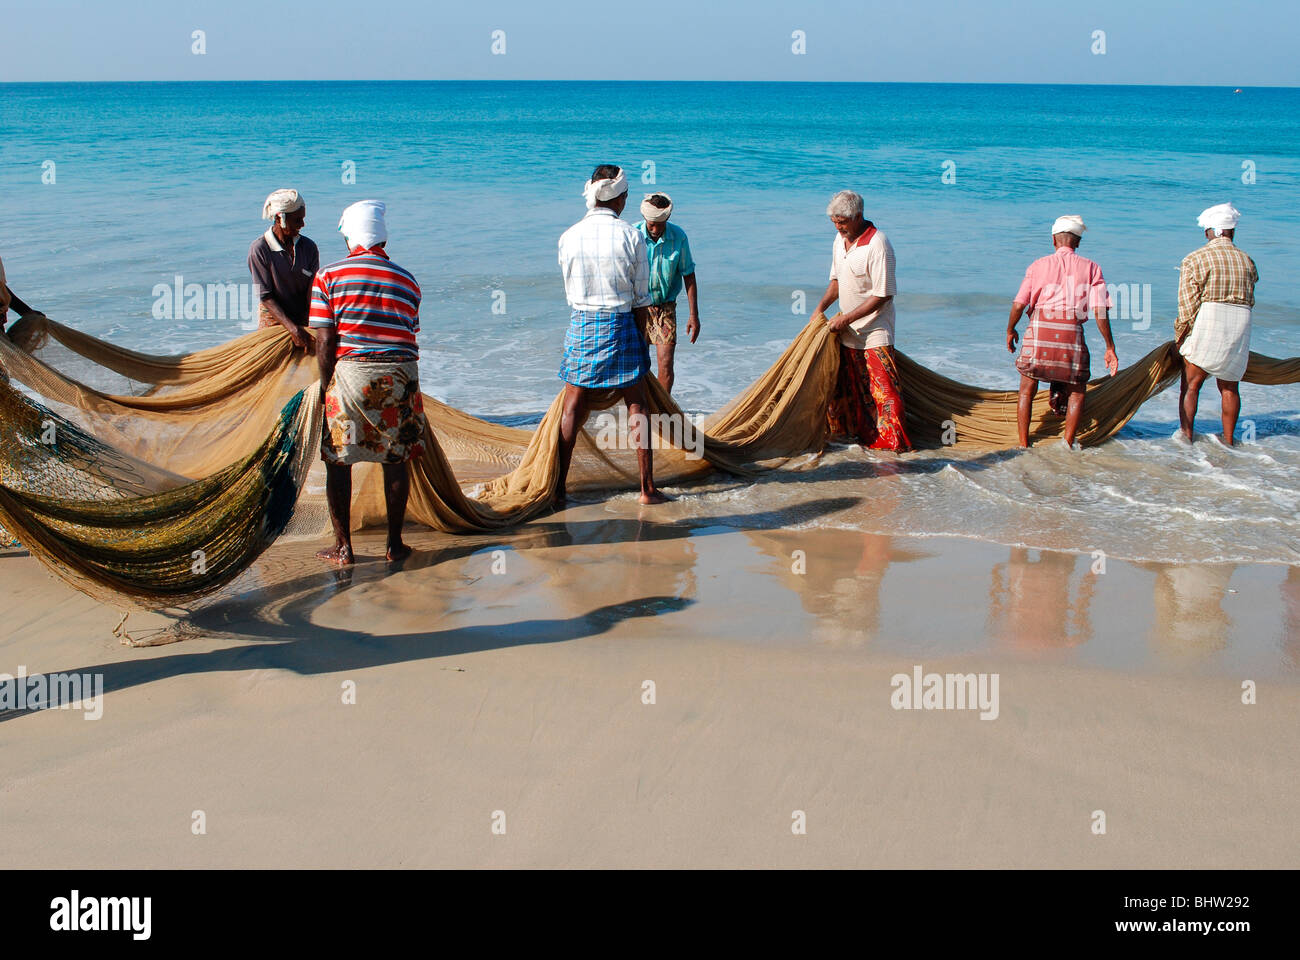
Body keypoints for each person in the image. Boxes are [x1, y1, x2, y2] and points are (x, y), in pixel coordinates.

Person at [308, 200, 425, 565]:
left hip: (353, 375)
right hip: (401, 376)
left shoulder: (327, 276)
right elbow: (410, 333)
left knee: (339, 461)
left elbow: (325, 341)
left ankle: (343, 549)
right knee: (395, 459)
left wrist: (327, 386)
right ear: (383, 242)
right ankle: (394, 545)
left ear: (350, 240)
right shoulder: (408, 280)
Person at [556, 164, 667, 506]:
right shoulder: (631, 236)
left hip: (582, 322)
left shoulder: (568, 235)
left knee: (573, 401)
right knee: (638, 402)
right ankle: (646, 489)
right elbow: (641, 297)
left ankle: (558, 488)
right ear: (619, 199)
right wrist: (642, 336)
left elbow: (569, 290)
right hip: (620, 323)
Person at [1006, 215, 1119, 448]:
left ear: (1053, 241)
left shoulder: (1037, 265)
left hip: (1039, 330)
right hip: (1071, 333)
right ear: (1077, 243)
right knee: (1077, 391)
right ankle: (1067, 444)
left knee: (1027, 390)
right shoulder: (1091, 268)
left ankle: (1024, 443)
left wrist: (1010, 330)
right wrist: (1110, 347)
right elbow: (1100, 311)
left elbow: (1019, 304)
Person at [812, 190, 912, 452]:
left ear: (857, 216)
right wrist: (820, 308)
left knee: (884, 390)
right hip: (846, 332)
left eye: (842, 222)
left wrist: (847, 318)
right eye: (834, 222)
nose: (838, 227)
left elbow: (883, 294)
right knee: (850, 390)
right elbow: (837, 282)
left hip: (875, 332)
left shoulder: (878, 244)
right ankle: (859, 440)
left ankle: (894, 444)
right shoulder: (839, 240)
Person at [1176, 203, 1258, 445]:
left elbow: (1187, 306)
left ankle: (1187, 438)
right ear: (1232, 232)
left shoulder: (1195, 258)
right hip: (1241, 322)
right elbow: (1251, 299)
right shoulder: (1247, 260)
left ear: (1208, 232)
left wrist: (1181, 335)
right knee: (1230, 387)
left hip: (1210, 317)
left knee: (1191, 384)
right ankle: (1230, 441)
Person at [635, 193, 699, 392]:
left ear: (667, 219)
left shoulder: (678, 237)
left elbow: (689, 275)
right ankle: (639, 410)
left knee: (666, 364)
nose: (654, 229)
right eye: (651, 224)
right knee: (638, 365)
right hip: (637, 307)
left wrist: (693, 316)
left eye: (659, 225)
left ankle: (662, 411)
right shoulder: (632, 234)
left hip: (665, 308)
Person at [248, 188, 317, 350]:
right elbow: (265, 296)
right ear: (280, 218)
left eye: (303, 219)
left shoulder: (309, 247)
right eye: (297, 220)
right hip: (274, 317)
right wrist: (292, 328)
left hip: (302, 312)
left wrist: (311, 325)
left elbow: (312, 291)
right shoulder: (260, 249)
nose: (302, 225)